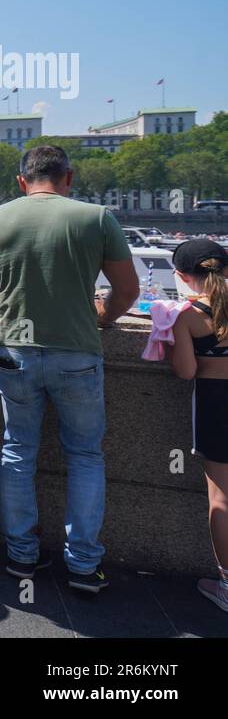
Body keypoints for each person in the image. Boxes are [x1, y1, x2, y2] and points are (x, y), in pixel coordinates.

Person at [0, 144, 138, 593]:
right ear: (69, 177)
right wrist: (102, 317)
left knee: (17, 451)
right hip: (78, 352)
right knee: (85, 456)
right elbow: (127, 290)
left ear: (23, 182)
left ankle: (21, 555)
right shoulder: (96, 217)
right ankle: (83, 564)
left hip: (15, 350)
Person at [164, 238, 228, 612]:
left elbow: (186, 371)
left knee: (221, 498)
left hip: (216, 404)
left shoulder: (187, 316)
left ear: (184, 278)